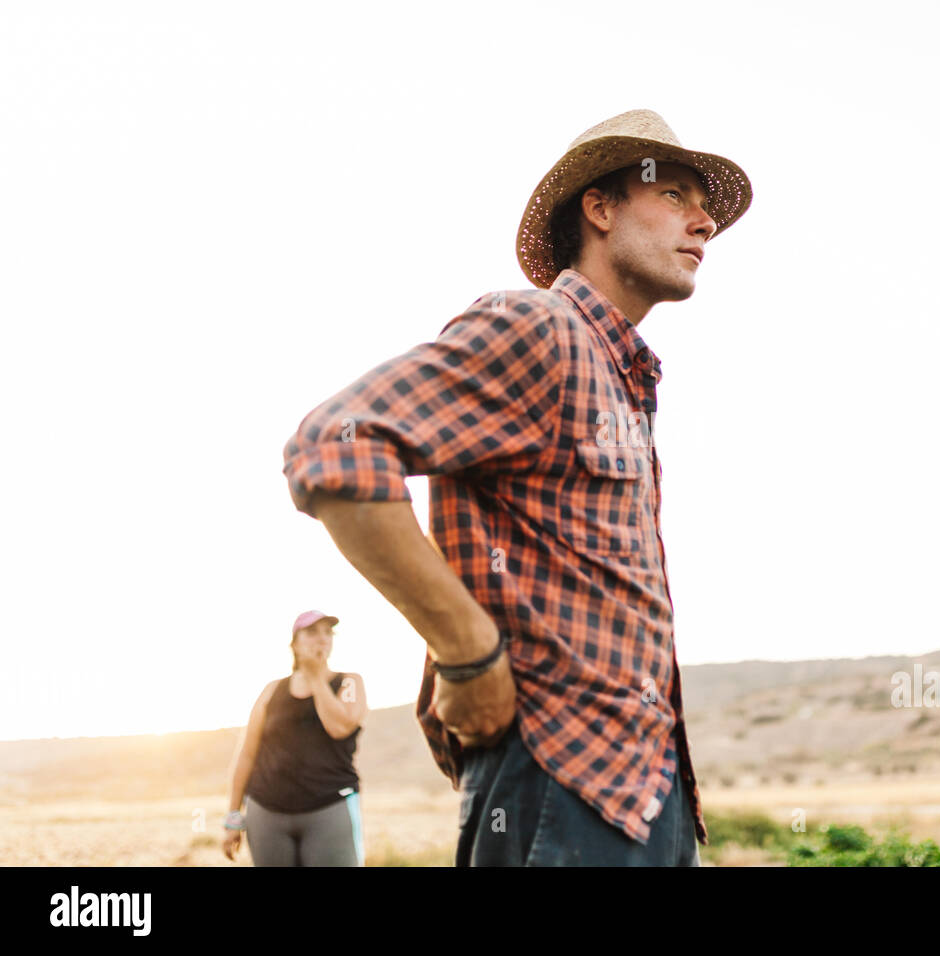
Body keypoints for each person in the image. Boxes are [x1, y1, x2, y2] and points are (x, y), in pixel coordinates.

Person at [281, 109, 751, 865]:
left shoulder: (624, 377)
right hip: (563, 785)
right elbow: (333, 447)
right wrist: (467, 655)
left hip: (647, 788)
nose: (705, 222)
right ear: (599, 207)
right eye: (678, 195)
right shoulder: (540, 326)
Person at [221, 610, 369, 866]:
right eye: (311, 632)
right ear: (294, 644)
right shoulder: (271, 690)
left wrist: (315, 677)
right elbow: (247, 755)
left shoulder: (349, 683)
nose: (321, 639)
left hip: (329, 806)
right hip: (267, 811)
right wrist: (233, 816)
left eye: (327, 632)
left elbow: (340, 727)